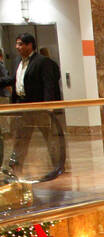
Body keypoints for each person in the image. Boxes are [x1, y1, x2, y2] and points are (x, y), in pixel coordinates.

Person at [1, 33, 66, 177]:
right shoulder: (19, 61)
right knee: (21, 138)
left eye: (20, 44)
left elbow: (49, 84)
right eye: (17, 44)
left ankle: (58, 165)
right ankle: (16, 167)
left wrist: (47, 106)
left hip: (38, 108)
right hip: (23, 108)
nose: (17, 47)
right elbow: (15, 79)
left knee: (50, 138)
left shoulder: (42, 62)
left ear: (30, 45)